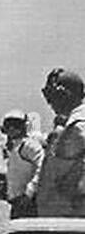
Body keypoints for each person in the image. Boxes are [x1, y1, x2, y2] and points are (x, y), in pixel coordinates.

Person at [38, 68, 85, 217]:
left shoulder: (78, 126)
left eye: (53, 96)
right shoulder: (68, 123)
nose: (50, 103)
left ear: (65, 95)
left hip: (71, 216)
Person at [1, 111, 43, 219]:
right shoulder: (14, 146)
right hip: (17, 200)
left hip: (27, 200)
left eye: (15, 125)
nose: (11, 129)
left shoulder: (29, 145)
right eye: (8, 125)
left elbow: (42, 168)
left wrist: (30, 191)